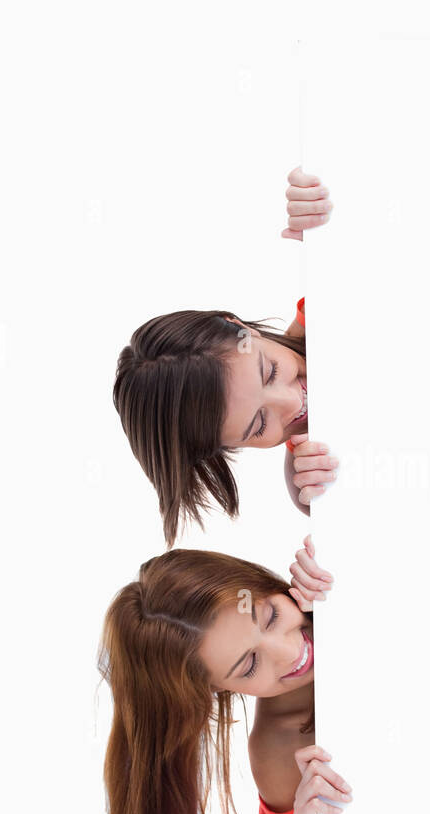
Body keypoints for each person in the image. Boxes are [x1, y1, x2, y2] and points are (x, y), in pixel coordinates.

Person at [98, 536, 351, 814]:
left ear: (265, 584)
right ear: (218, 690)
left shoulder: (326, 587)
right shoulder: (280, 758)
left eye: (269, 616)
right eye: (249, 666)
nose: (290, 651)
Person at [113, 167, 339, 546]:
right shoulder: (305, 441)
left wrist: (327, 225)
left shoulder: (319, 307)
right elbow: (308, 486)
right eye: (259, 426)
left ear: (240, 327)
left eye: (269, 372)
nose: (292, 401)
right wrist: (307, 486)